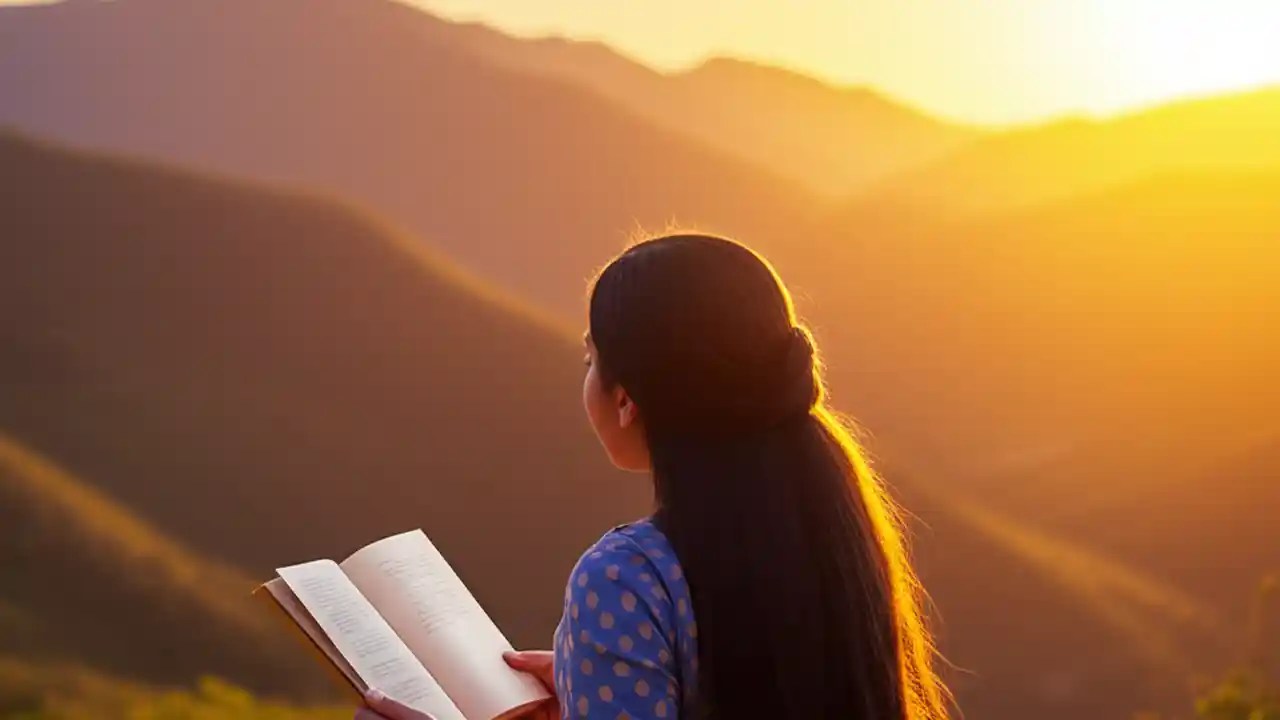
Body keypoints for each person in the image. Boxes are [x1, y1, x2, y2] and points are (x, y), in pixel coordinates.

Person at [358, 234, 949, 720]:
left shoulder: (625, 578)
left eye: (591, 360)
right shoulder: (835, 535)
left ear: (625, 401)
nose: (586, 376)